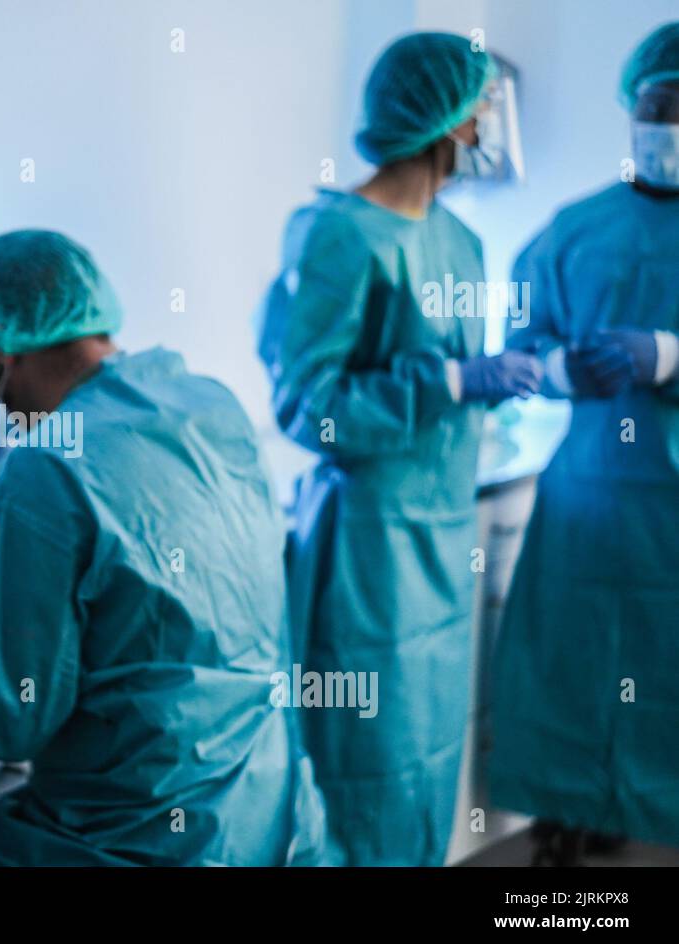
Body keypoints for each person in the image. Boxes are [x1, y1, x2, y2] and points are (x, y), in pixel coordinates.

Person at [0, 229, 329, 866]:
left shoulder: (39, 475)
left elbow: (9, 717)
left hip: (141, 835)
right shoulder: (209, 403)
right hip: (269, 804)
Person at [256, 33, 544, 866]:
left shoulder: (461, 242)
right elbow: (309, 408)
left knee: (427, 755)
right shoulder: (338, 236)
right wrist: (447, 383)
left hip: (444, 540)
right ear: (443, 120)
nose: (485, 126)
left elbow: (462, 384)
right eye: (480, 111)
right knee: (362, 762)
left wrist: (492, 391)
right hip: (367, 552)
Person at [489, 22, 679, 865]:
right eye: (658, 105)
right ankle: (569, 813)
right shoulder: (574, 230)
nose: (669, 121)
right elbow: (517, 352)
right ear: (630, 107)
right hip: (590, 492)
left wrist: (666, 355)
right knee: (574, 660)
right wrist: (565, 371)